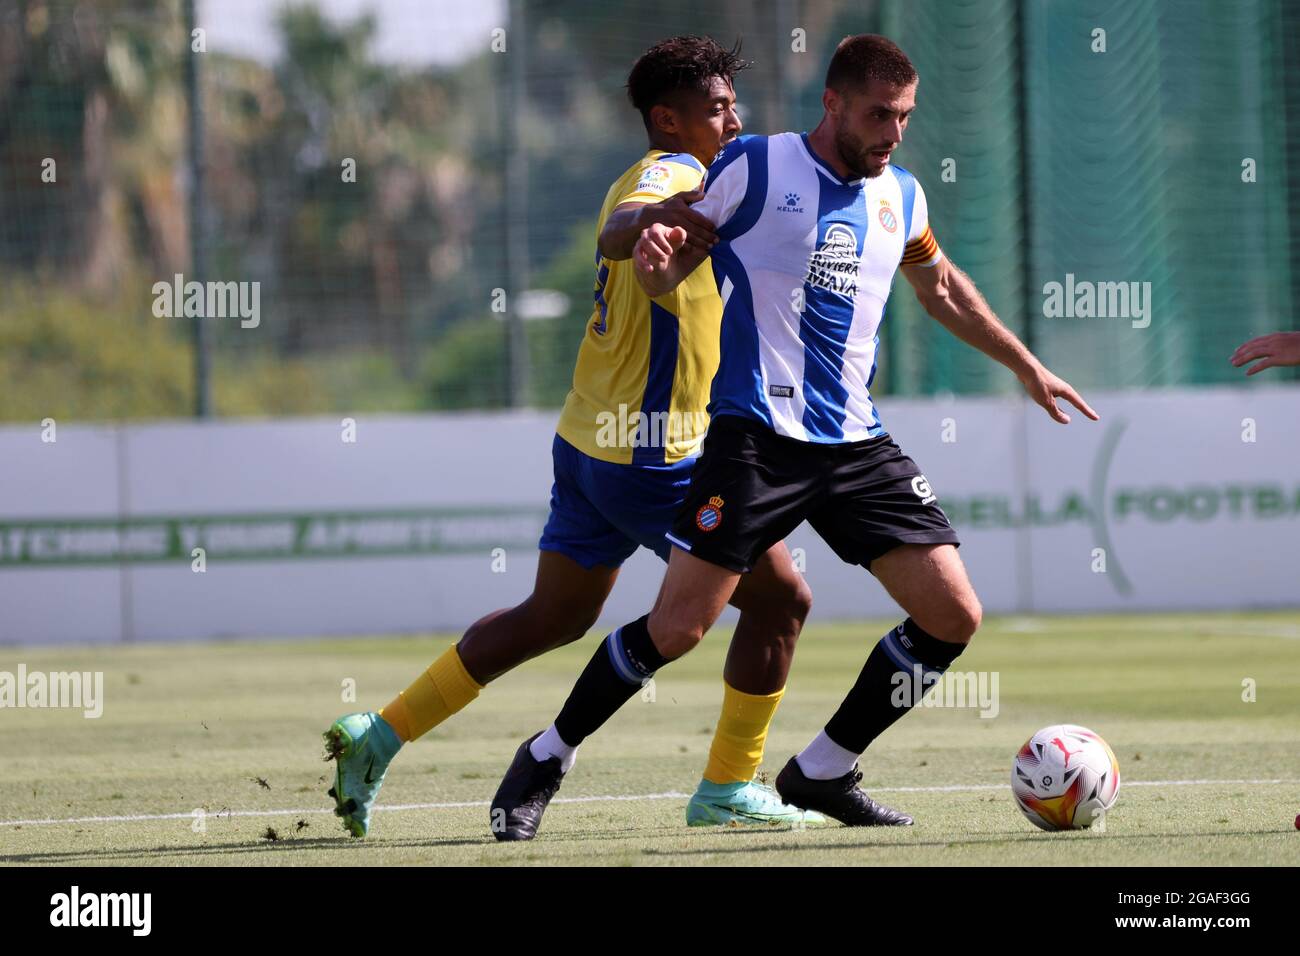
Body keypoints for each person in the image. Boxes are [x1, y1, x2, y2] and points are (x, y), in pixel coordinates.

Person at [491, 33, 1097, 836]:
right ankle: (547, 755)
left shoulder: (903, 197)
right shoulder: (757, 166)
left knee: (954, 615)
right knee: (677, 630)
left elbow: (942, 287)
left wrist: (1026, 366)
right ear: (834, 103)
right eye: (879, 114)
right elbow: (649, 247)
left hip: (855, 443)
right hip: (754, 440)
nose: (893, 132)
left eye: (906, 116)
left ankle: (822, 770)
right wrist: (655, 252)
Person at [323, 36, 818, 839]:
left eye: (732, 103)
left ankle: (377, 736)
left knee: (552, 616)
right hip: (656, 454)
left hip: (591, 440)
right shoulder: (674, 176)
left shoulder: (684, 178)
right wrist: (653, 222)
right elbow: (627, 224)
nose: (734, 120)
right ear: (668, 119)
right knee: (780, 602)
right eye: (718, 107)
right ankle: (720, 783)